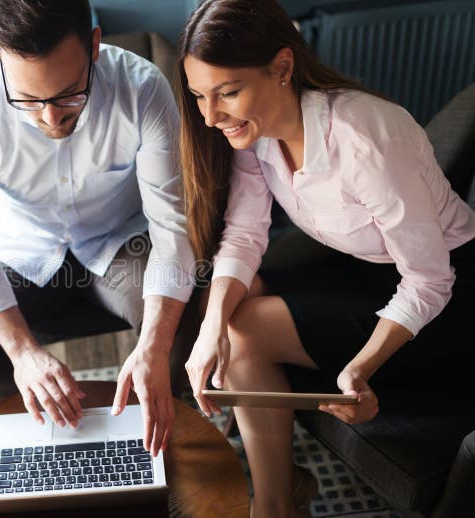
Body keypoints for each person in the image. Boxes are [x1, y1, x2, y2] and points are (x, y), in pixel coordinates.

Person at [175, 0, 475, 516]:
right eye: (200, 95)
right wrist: (209, 330)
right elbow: (244, 234)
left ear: (282, 68)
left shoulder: (365, 139)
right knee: (228, 307)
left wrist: (361, 367)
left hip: (447, 297)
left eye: (227, 93)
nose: (209, 116)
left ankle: (273, 506)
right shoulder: (254, 131)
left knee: (247, 328)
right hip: (367, 269)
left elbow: (429, 280)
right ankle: (281, 488)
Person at [0, 0, 200, 457]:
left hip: (119, 242)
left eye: (69, 94)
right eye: (29, 100)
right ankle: (81, 420)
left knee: (184, 321)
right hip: (23, 251)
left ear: (94, 45)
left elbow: (172, 226)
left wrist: (154, 344)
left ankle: (143, 427)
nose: (51, 118)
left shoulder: (143, 88)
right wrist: (23, 355)